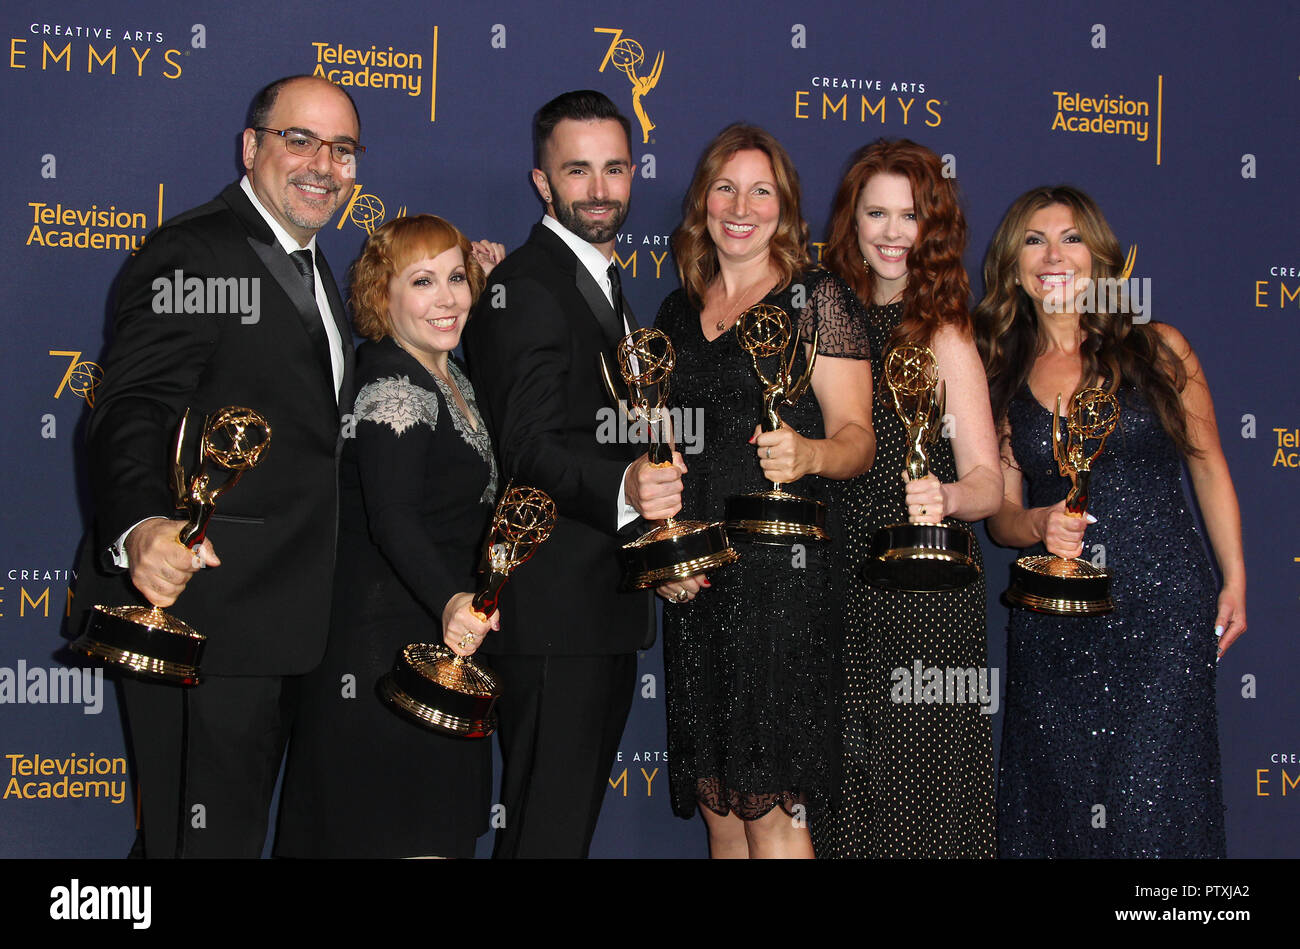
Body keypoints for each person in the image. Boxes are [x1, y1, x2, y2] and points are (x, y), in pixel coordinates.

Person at [71, 75, 361, 857]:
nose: (321, 164)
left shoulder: (310, 262)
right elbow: (130, 405)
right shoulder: (196, 249)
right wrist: (140, 526)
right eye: (299, 140)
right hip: (203, 607)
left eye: (340, 149)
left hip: (280, 624)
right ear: (252, 147)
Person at [974, 185, 1246, 857]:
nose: (1053, 255)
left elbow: (1209, 464)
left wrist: (1234, 577)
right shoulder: (1001, 376)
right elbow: (1002, 517)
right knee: (1062, 803)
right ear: (1013, 265)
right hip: (1056, 621)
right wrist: (1038, 521)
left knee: (1145, 806)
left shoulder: (1160, 349)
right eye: (1034, 240)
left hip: (1161, 611)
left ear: (1100, 257)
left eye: (1070, 238)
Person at [461, 90, 684, 859]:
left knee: (558, 835)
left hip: (595, 610)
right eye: (578, 170)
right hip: (554, 613)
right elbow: (523, 443)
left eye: (614, 168)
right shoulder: (527, 285)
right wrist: (624, 489)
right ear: (541, 181)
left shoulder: (601, 284)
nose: (600, 188)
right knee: (545, 836)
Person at [652, 124, 874, 859]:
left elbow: (858, 438)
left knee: (774, 812)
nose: (740, 206)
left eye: (760, 190)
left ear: (785, 207)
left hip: (785, 584)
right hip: (700, 581)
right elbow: (660, 451)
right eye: (725, 187)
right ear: (701, 202)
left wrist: (808, 450)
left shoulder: (818, 299)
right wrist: (668, 553)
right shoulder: (676, 313)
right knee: (719, 805)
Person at [275, 215, 498, 858]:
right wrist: (455, 602)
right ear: (382, 296)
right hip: (385, 658)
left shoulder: (451, 376)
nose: (448, 297)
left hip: (437, 643)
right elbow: (393, 518)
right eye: (423, 281)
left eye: (457, 278)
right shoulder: (393, 380)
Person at [812, 139, 1002, 859]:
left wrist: (947, 494)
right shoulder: (828, 318)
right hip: (837, 581)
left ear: (934, 228)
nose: (892, 233)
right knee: (844, 786)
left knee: (920, 783)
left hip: (924, 590)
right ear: (851, 220)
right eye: (876, 213)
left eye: (910, 215)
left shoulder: (943, 330)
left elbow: (987, 478)